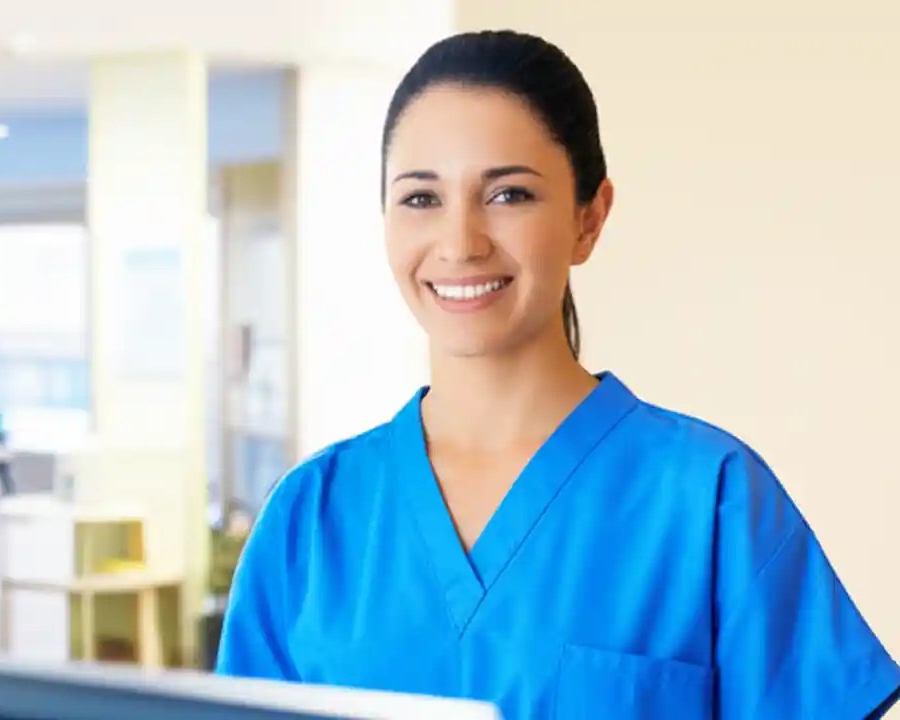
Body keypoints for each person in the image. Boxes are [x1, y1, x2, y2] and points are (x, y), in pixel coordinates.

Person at [215, 30, 900, 719]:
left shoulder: (709, 499)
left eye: (509, 194)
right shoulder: (309, 520)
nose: (460, 242)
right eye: (422, 199)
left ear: (589, 218)